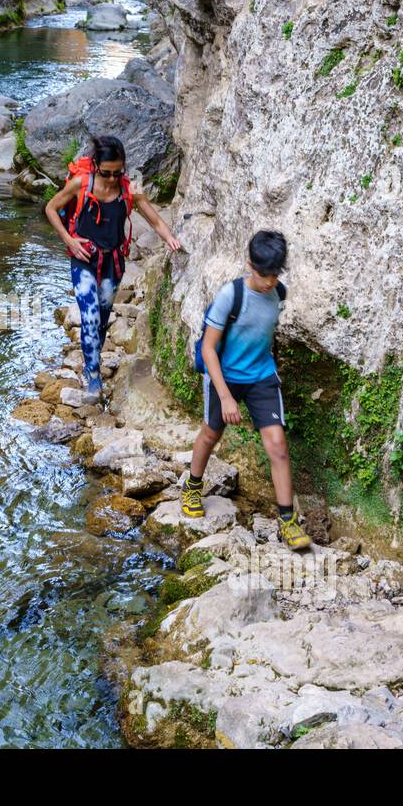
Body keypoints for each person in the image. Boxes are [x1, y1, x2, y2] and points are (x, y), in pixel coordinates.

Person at [182, 230, 310, 549]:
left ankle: (288, 521)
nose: (268, 281)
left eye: (275, 274)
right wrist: (225, 396)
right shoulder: (231, 295)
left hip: (261, 375)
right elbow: (209, 349)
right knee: (211, 434)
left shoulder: (279, 292)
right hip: (223, 375)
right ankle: (192, 487)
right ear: (249, 264)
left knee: (278, 444)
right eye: (263, 273)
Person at [45, 135, 182, 404]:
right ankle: (93, 376)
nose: (111, 179)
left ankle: (91, 357)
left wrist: (171, 239)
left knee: (103, 318)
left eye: (117, 173)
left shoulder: (129, 190)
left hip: (114, 262)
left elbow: (154, 220)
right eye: (106, 173)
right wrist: (69, 240)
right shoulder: (80, 184)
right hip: (83, 258)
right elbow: (51, 208)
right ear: (95, 166)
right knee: (91, 316)